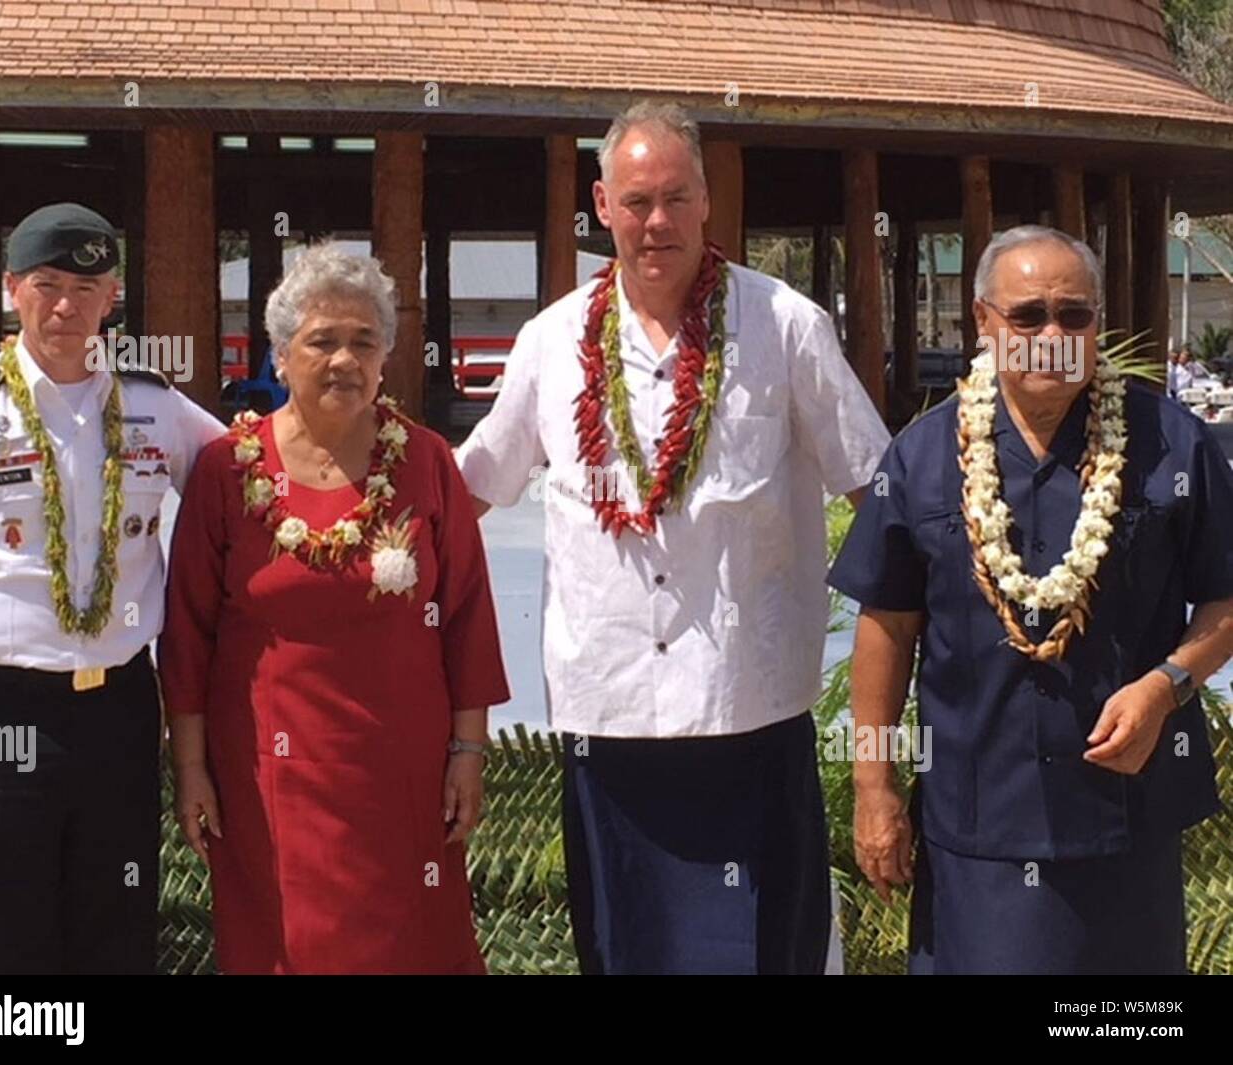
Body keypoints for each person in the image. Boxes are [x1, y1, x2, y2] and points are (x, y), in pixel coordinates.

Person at [456, 101, 890, 974]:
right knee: (626, 954)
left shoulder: (785, 326)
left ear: (705, 203)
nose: (657, 222)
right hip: (609, 722)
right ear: (602, 204)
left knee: (769, 954)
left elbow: (880, 493)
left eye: (676, 198)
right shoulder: (549, 341)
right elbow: (468, 488)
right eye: (638, 200)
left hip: (750, 712)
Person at [829, 225, 1233, 974]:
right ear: (983, 320)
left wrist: (1166, 685)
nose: (1052, 334)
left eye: (1074, 315)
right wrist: (875, 786)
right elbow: (885, 629)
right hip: (976, 829)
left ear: (1098, 324)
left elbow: (1226, 598)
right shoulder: (921, 459)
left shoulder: (1173, 446)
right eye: (1029, 315)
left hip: (1126, 824)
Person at [158, 243, 510, 974]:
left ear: (385, 358)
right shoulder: (227, 470)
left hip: (403, 778)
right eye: (322, 340)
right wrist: (191, 767)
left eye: (363, 341)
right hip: (267, 779)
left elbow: (469, 613)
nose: (344, 359)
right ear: (281, 356)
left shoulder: (426, 461)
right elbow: (188, 633)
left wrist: (468, 752)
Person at [0, 202, 224, 973]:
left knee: (117, 927)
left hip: (120, 708)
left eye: (86, 286)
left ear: (112, 296)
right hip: (1, 708)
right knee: (7, 934)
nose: (66, 305)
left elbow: (246, 484)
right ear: (10, 289)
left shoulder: (157, 406)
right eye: (46, 284)